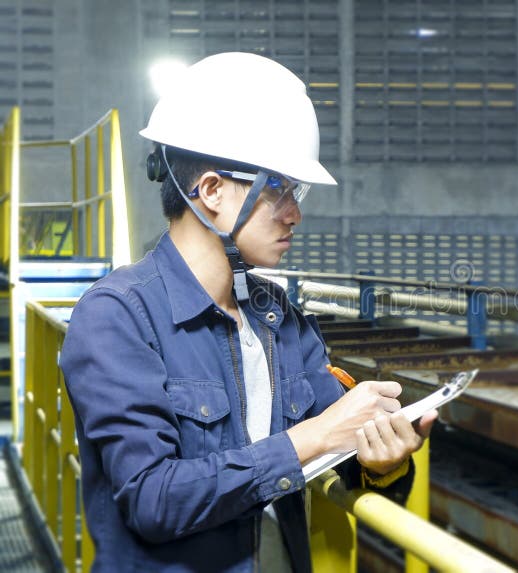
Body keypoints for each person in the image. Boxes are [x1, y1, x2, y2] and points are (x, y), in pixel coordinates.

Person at [60, 52, 437, 573]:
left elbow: (345, 458)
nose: (295, 214)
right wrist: (312, 437)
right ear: (211, 190)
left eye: (295, 191)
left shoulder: (277, 318)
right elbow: (152, 500)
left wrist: (384, 462)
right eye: (279, 188)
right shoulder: (117, 317)